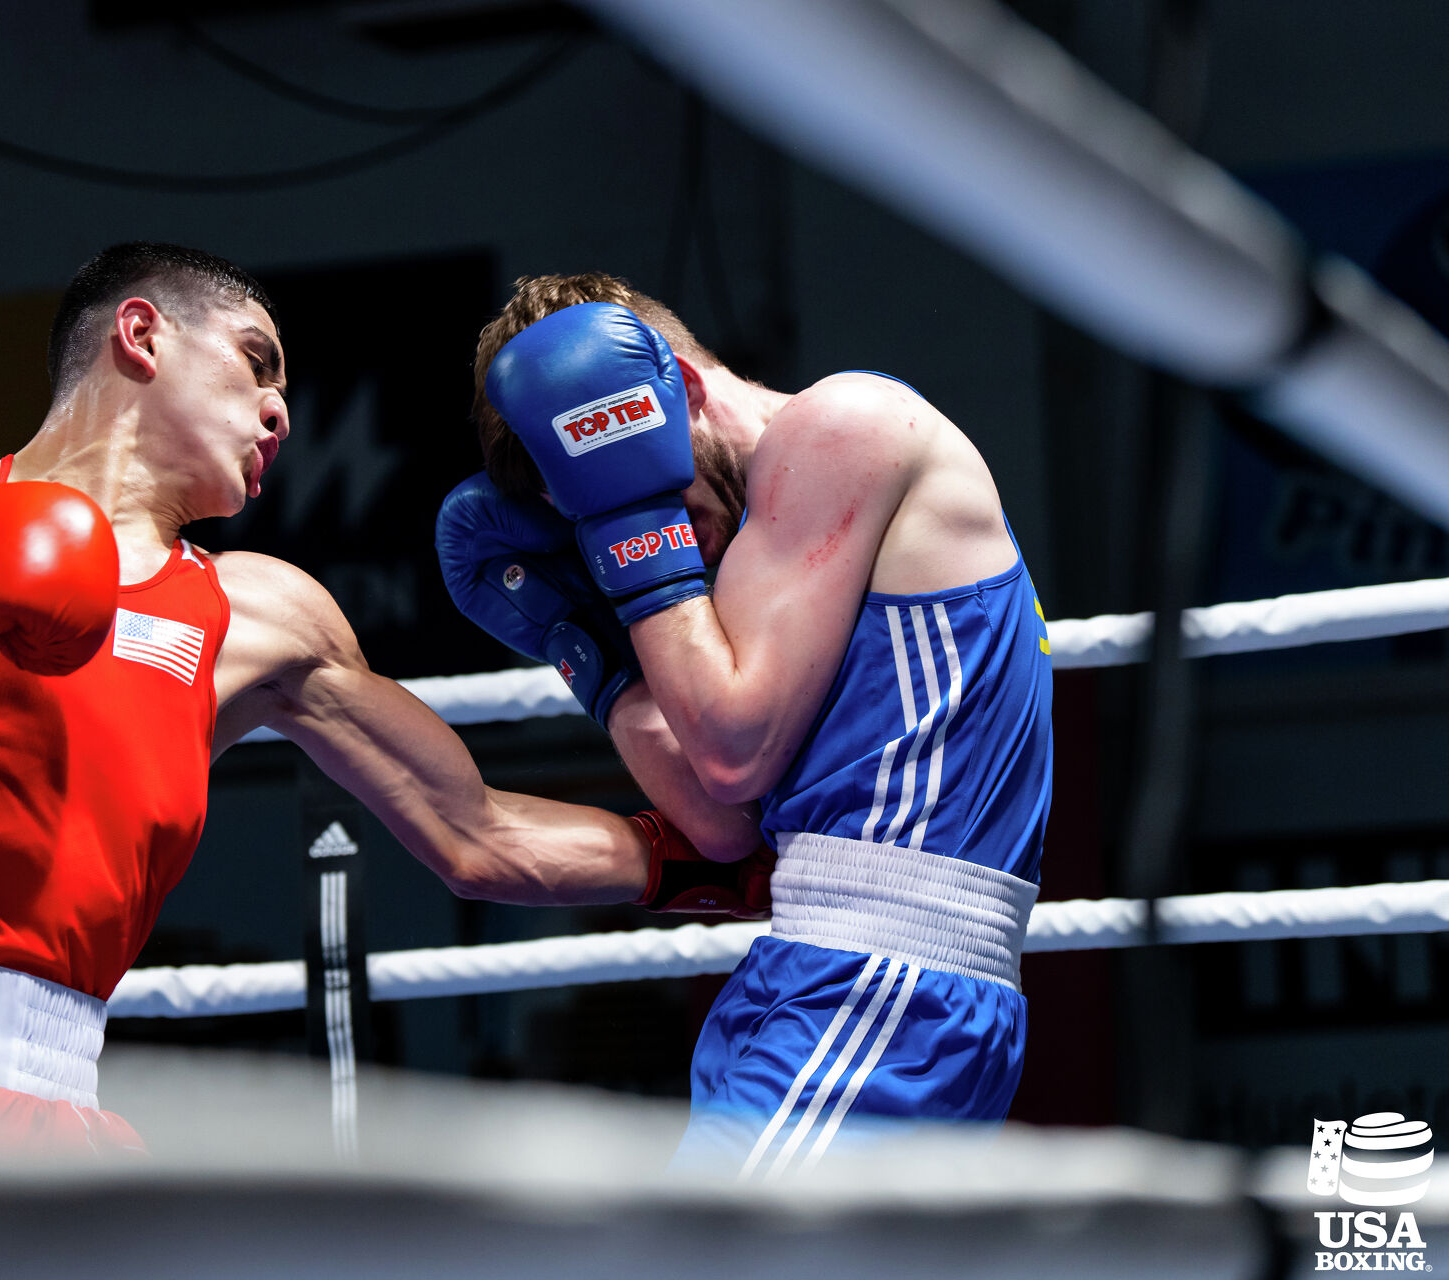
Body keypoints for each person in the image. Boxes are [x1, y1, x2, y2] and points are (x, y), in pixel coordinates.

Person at [0, 243, 770, 1162]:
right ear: (141, 334)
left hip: (43, 1098)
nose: (281, 409)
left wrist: (749, 873)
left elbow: (477, 835)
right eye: (255, 362)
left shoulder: (259, 614)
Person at [443, 273, 1052, 1177]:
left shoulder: (847, 423)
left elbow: (732, 754)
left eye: (660, 500)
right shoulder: (749, 551)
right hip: (817, 974)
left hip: (883, 982)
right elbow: (723, 824)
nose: (673, 537)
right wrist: (592, 651)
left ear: (678, 388)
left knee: (702, 1246)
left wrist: (630, 525)